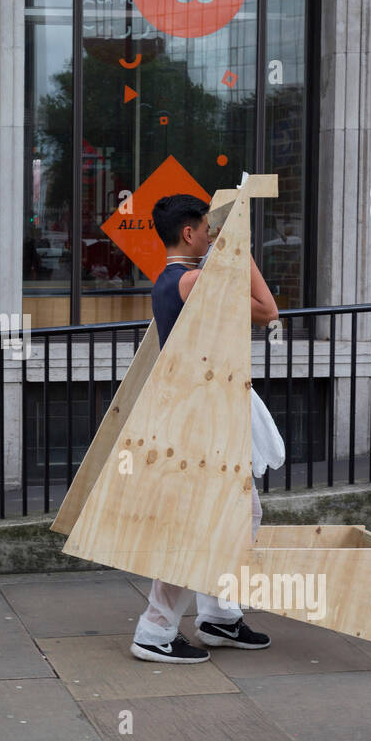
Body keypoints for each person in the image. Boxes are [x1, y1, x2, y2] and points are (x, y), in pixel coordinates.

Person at [131, 193, 285, 663]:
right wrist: (242, 249)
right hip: (202, 417)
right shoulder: (194, 279)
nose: (211, 235)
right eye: (207, 229)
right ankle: (154, 631)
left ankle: (218, 614)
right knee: (198, 525)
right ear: (190, 233)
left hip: (198, 409)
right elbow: (266, 309)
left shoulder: (169, 281)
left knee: (241, 513)